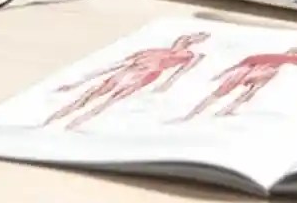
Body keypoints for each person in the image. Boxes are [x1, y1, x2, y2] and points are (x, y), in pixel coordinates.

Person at [44, 32, 209, 130]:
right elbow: (117, 65)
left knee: (109, 100)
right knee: (93, 94)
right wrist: (76, 83)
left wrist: (166, 84)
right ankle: (52, 121)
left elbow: (180, 72)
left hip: (147, 73)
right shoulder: (152, 52)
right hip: (135, 68)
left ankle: (74, 123)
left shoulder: (191, 55)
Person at [181, 46, 297, 120]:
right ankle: (198, 113)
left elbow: (248, 60)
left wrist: (225, 72)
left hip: (256, 71)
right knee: (227, 93)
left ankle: (220, 110)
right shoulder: (281, 58)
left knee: (246, 92)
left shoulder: (278, 61)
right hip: (253, 71)